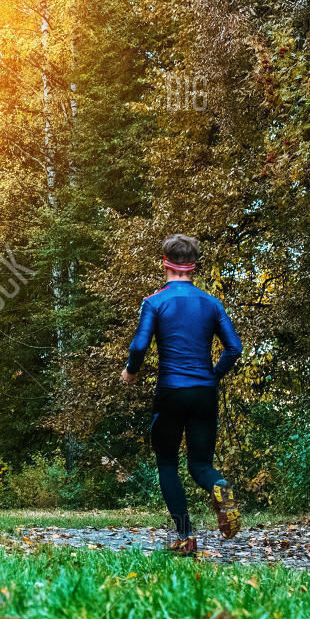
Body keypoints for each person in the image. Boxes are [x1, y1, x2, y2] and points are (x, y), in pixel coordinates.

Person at [121, 234, 243, 554]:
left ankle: (186, 536)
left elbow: (139, 345)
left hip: (171, 392)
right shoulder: (211, 303)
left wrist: (132, 370)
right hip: (204, 392)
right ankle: (219, 485)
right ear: (194, 265)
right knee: (200, 464)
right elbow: (234, 348)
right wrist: (213, 376)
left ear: (165, 263)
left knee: (167, 462)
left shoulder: (154, 302)